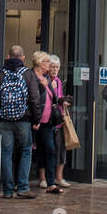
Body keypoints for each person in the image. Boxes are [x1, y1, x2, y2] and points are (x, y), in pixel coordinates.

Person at [0, 44, 43, 199]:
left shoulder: (0, 74)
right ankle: (23, 187)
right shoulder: (28, 74)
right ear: (23, 58)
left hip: (5, 119)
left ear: (8, 57)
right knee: (26, 151)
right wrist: (36, 119)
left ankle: (7, 190)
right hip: (24, 120)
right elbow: (34, 98)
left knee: (6, 153)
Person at [32, 51, 63, 194]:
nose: (49, 65)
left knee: (50, 150)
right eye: (47, 62)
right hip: (34, 122)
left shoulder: (47, 79)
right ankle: (20, 183)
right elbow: (32, 98)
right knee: (27, 151)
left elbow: (53, 99)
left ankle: (51, 183)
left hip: (47, 123)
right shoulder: (31, 77)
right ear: (39, 63)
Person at [38, 55, 69, 189]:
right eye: (52, 67)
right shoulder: (43, 80)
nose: (55, 69)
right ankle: (43, 178)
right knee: (44, 150)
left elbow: (59, 97)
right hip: (45, 120)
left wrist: (65, 101)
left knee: (60, 148)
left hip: (57, 119)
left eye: (57, 67)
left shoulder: (58, 81)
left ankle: (58, 177)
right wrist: (50, 86)